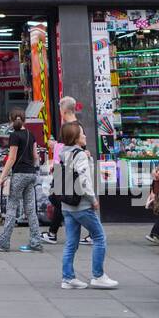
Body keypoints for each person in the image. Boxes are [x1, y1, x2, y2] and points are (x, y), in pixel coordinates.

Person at [56, 119, 117, 290]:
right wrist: (93, 200)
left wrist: (87, 158)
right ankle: (98, 275)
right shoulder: (80, 155)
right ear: (76, 138)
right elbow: (84, 181)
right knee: (99, 237)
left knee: (71, 242)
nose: (85, 135)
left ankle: (68, 278)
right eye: (82, 133)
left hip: (67, 205)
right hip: (82, 205)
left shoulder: (64, 153)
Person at [0, 111, 42, 254]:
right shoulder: (31, 135)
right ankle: (35, 242)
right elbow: (36, 156)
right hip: (31, 174)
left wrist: (1, 177)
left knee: (11, 208)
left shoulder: (14, 136)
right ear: (24, 121)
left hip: (19, 175)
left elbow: (11, 159)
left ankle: (4, 242)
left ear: (11, 121)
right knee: (30, 209)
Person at [43, 97, 92, 247]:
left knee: (57, 197)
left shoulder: (72, 127)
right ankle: (52, 232)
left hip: (68, 169)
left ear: (64, 111)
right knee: (60, 198)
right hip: (64, 168)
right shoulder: (74, 126)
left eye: (60, 110)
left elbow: (73, 148)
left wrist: (54, 146)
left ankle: (91, 230)